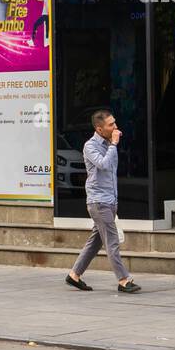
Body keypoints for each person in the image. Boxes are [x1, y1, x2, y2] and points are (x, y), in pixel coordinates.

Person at [67, 109, 140, 294]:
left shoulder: (109, 143)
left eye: (114, 123)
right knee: (112, 240)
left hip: (109, 200)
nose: (115, 127)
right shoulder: (90, 146)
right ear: (99, 129)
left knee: (95, 242)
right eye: (111, 125)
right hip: (99, 202)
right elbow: (104, 164)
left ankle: (74, 275)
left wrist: (112, 143)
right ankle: (123, 280)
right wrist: (114, 144)